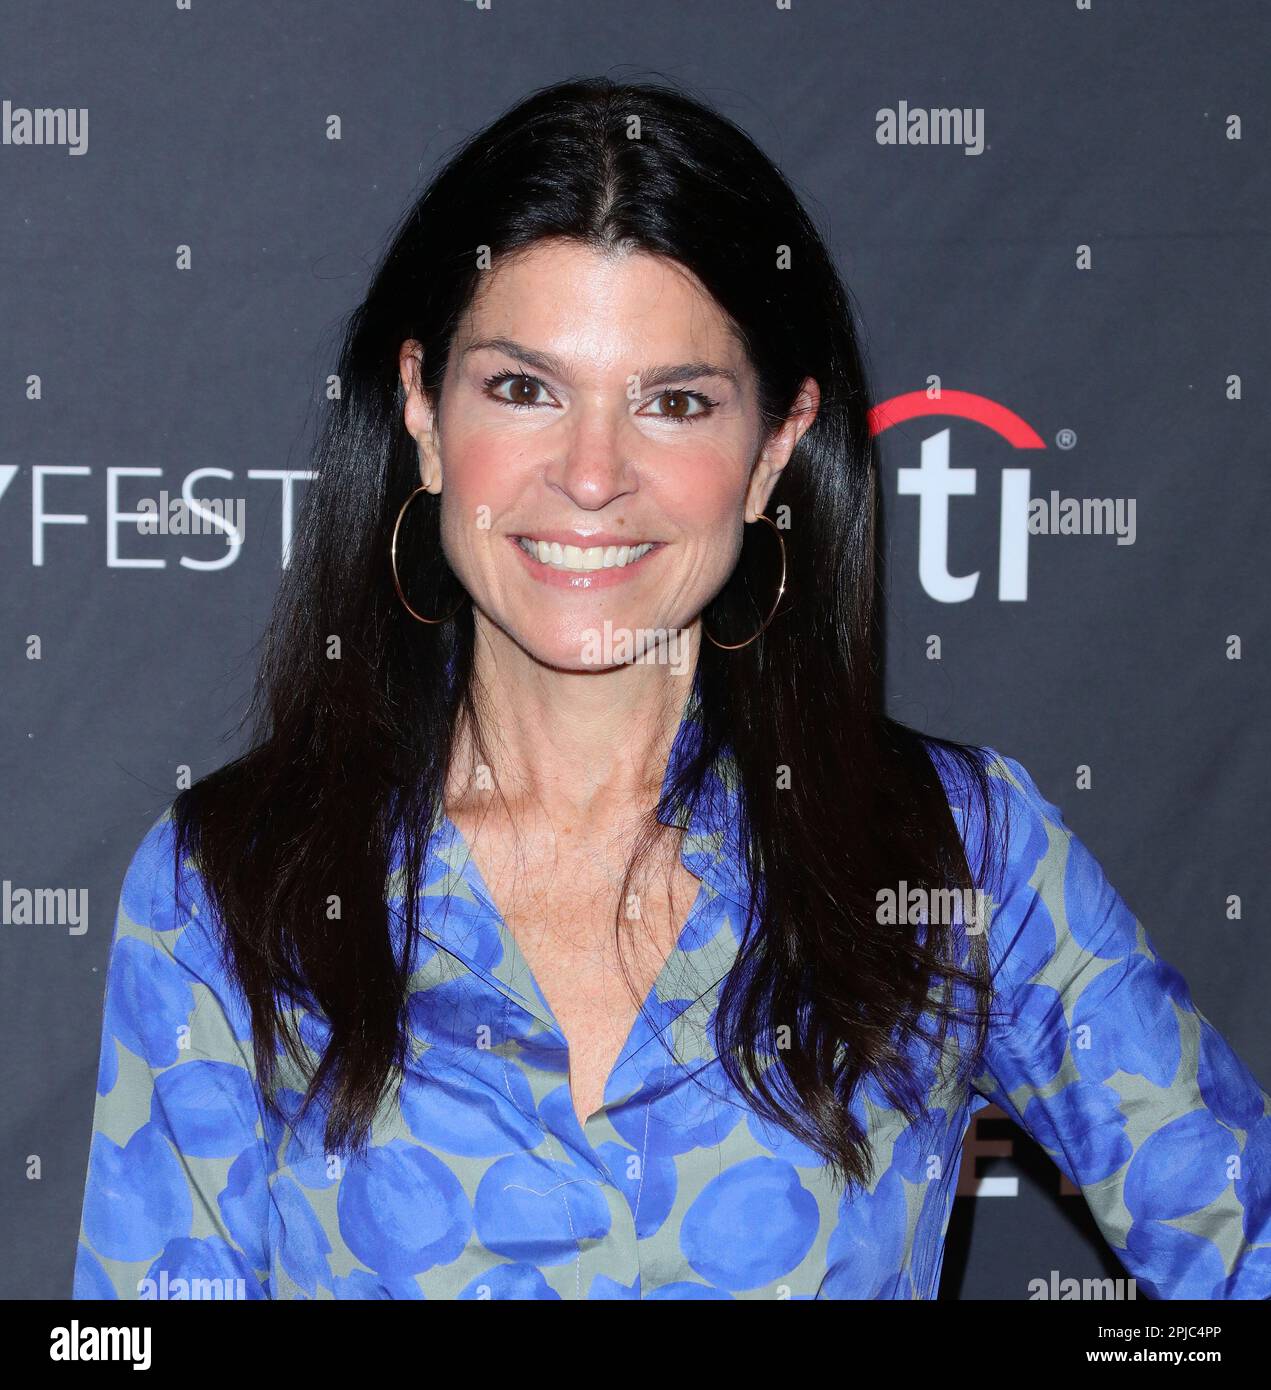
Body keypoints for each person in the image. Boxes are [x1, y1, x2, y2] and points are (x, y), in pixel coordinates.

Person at [72, 76, 1270, 1300]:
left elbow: (1240, 1234)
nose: (592, 475)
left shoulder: (955, 855)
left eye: (675, 402)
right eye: (523, 388)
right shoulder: (229, 886)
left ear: (772, 452)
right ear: (424, 415)